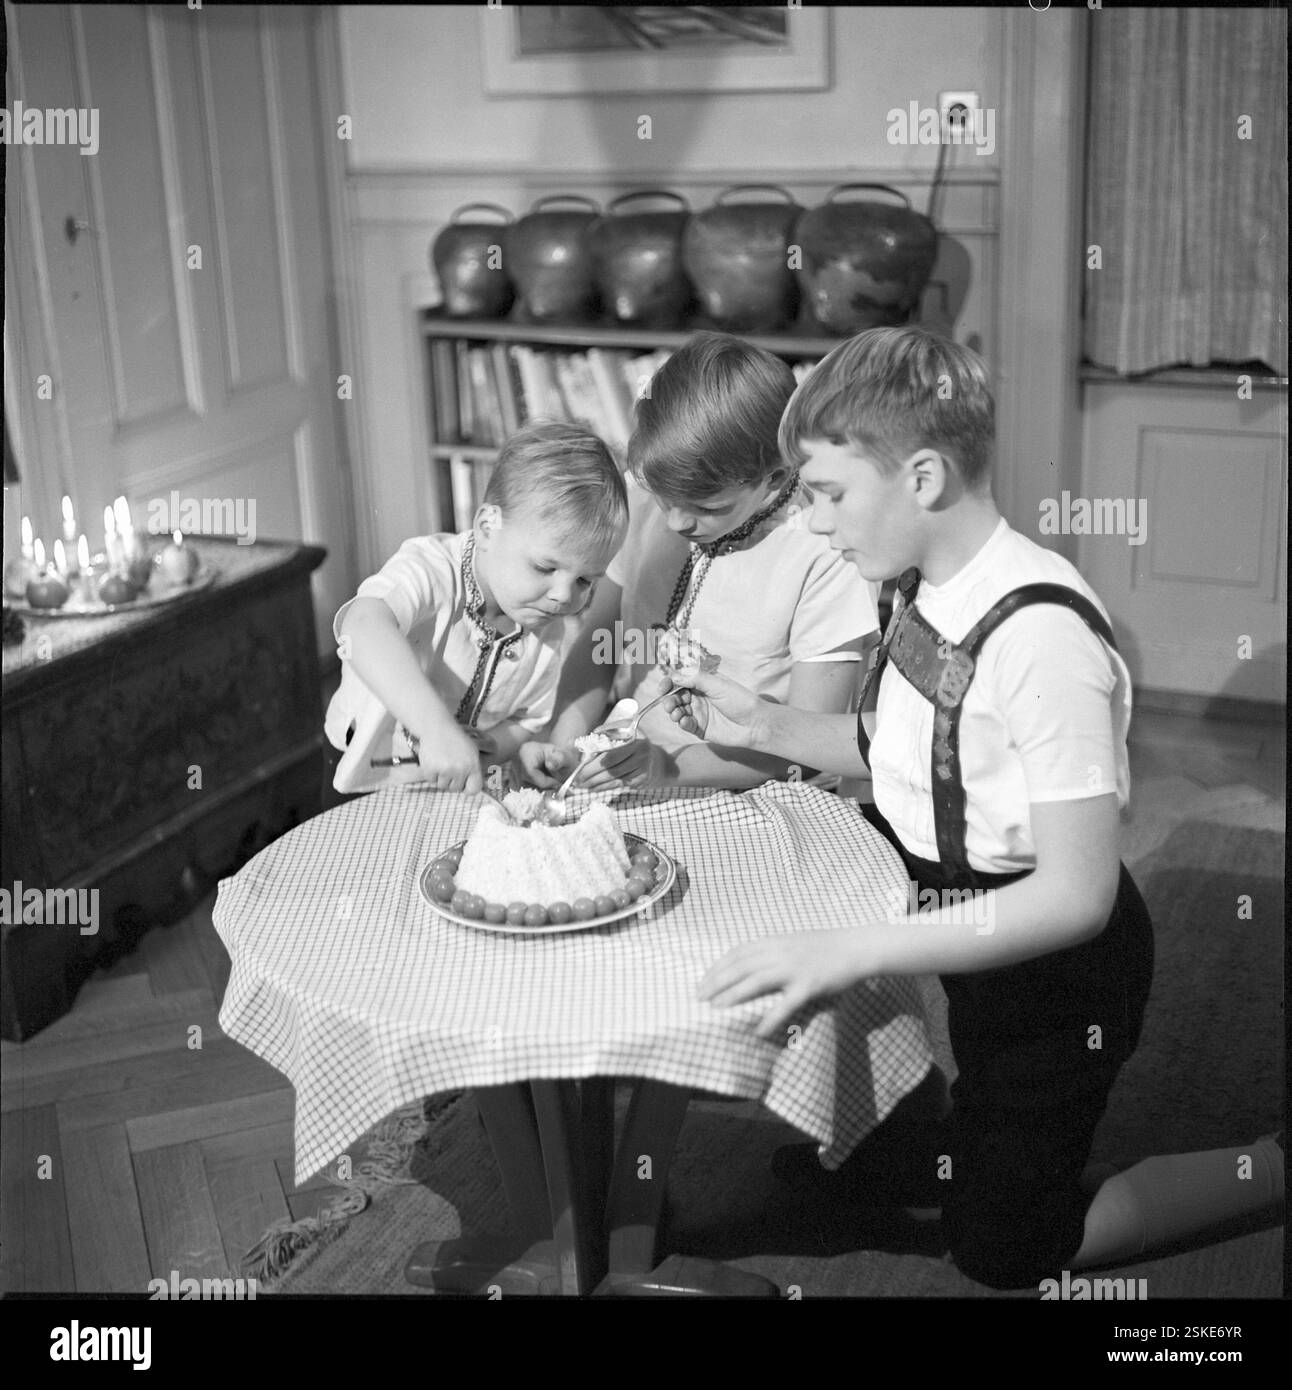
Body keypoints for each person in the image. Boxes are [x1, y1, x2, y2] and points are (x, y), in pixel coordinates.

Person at [664, 325, 1173, 1289]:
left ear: (925, 479)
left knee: (1009, 1249)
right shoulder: (922, 590)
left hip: (1059, 975)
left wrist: (854, 948)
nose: (812, 523)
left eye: (827, 494)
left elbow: (1076, 898)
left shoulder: (1038, 638)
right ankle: (941, 1148)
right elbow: (897, 753)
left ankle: (1268, 1167)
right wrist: (761, 725)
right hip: (969, 931)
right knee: (976, 1112)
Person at [518, 332, 878, 792]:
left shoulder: (825, 550)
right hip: (628, 772)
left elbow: (812, 747)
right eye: (662, 495)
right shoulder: (646, 495)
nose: (674, 521)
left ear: (777, 475)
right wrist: (567, 746)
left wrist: (666, 767)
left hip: (760, 794)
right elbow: (598, 646)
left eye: (708, 507)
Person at [325, 421, 628, 796]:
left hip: (455, 790)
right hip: (361, 775)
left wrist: (499, 748)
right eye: (544, 568)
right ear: (487, 527)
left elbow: (525, 722)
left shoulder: (546, 624)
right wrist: (436, 730)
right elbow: (363, 626)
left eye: (586, 581)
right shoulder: (431, 570)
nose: (564, 596)